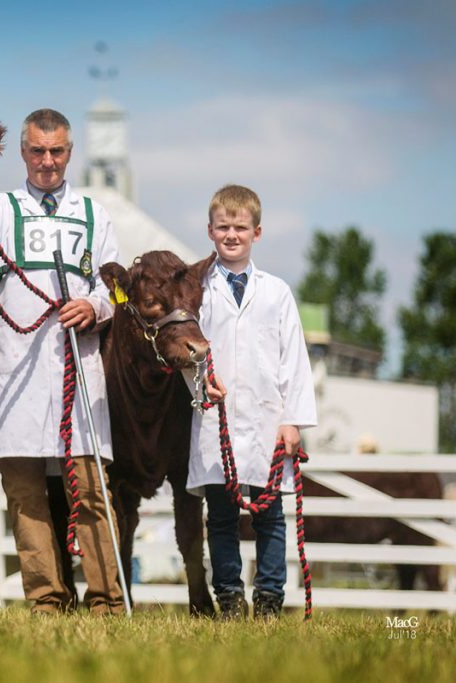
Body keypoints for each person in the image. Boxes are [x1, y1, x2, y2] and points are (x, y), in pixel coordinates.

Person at [0, 109, 124, 615]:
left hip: (78, 363)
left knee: (91, 489)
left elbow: (114, 286)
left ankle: (106, 600)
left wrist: (94, 306)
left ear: (70, 153)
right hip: (15, 368)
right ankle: (46, 599)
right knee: (25, 490)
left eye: (56, 152)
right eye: (37, 151)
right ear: (23, 153)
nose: (47, 162)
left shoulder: (95, 212)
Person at [189, 184, 317, 619]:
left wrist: (293, 421)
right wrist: (201, 381)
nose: (231, 235)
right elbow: (188, 348)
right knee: (221, 515)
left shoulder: (277, 292)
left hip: (267, 421)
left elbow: (293, 359)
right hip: (215, 419)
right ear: (210, 230)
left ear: (256, 233)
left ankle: (268, 599)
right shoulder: (198, 289)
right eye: (223, 227)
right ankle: (228, 596)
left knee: (269, 516)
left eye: (240, 227)